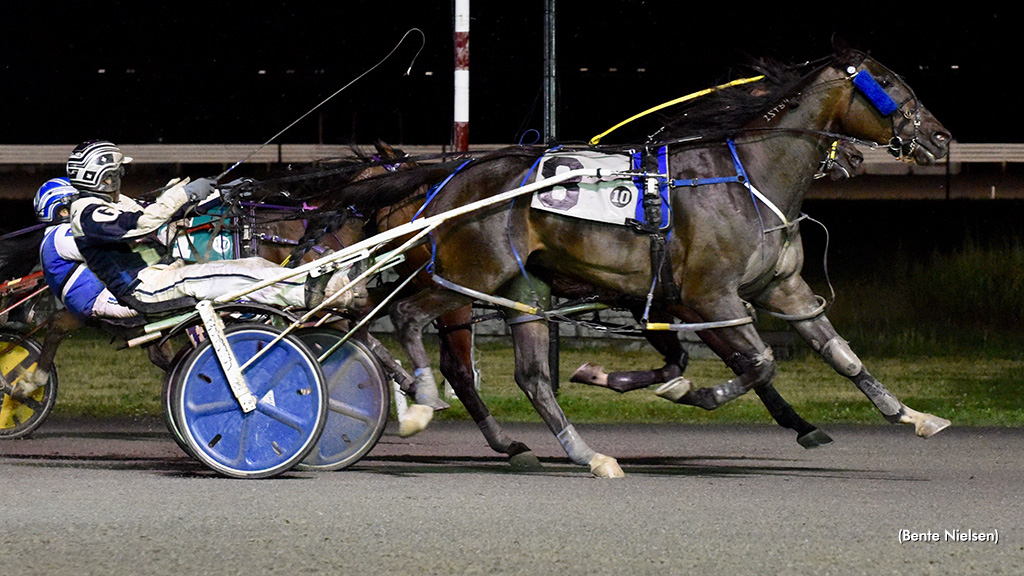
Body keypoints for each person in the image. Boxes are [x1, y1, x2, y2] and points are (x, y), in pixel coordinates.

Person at [65, 140, 351, 315]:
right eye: (118, 172)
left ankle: (318, 283)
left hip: (163, 272)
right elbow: (142, 224)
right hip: (145, 288)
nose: (122, 176)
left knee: (251, 264)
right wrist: (185, 193)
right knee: (238, 275)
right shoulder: (87, 213)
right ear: (104, 177)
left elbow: (164, 212)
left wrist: (219, 194)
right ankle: (321, 292)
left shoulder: (111, 204)